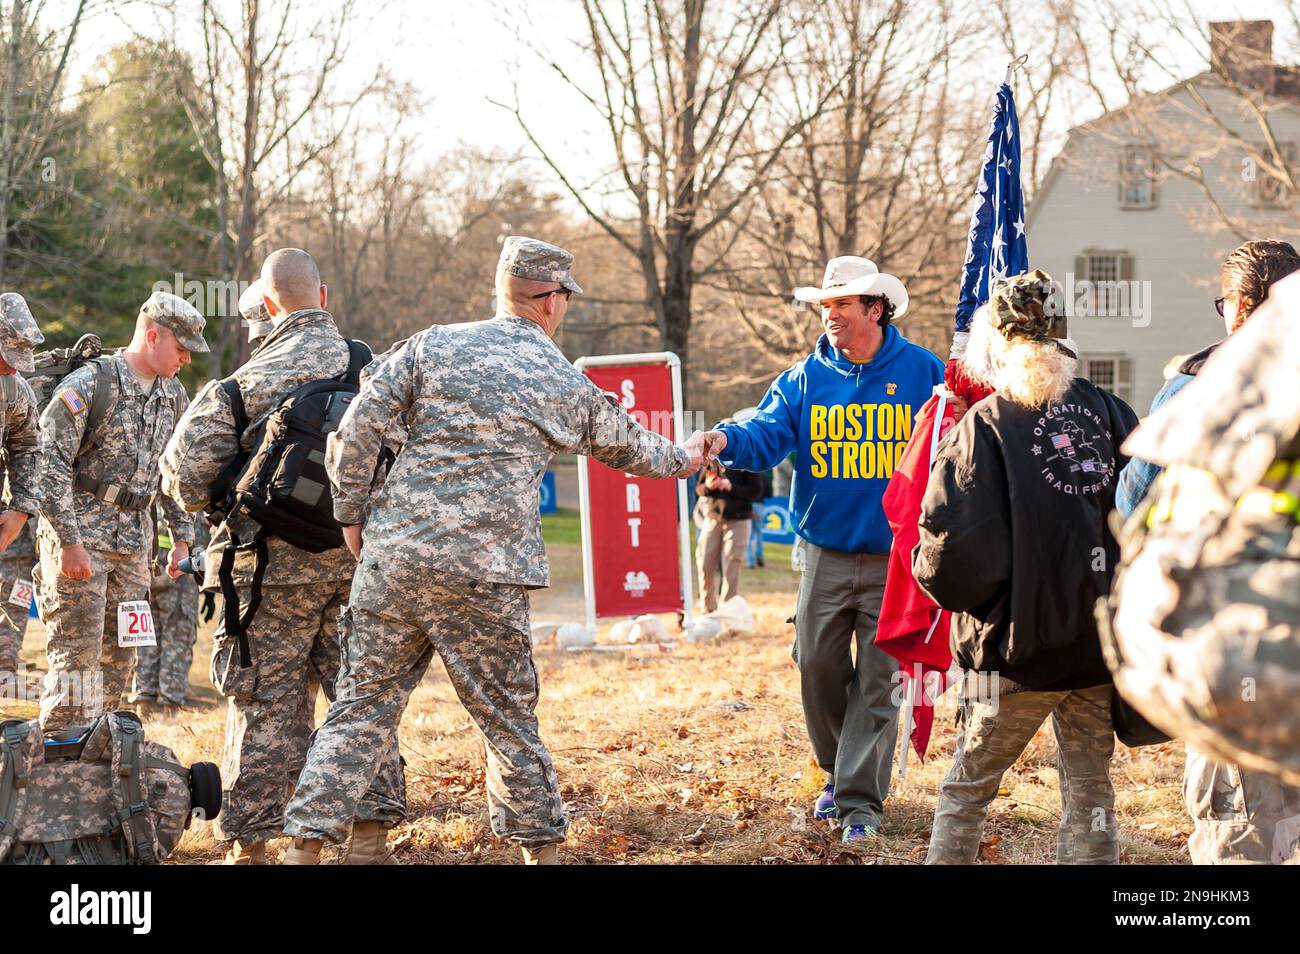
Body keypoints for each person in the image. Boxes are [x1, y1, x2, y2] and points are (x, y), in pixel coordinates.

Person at [280, 236, 703, 865]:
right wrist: (688, 455)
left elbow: (357, 424)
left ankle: (305, 849)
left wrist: (351, 513)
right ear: (553, 300)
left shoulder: (432, 344)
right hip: (486, 573)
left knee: (359, 708)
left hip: (394, 559)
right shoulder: (559, 378)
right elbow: (635, 450)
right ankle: (540, 854)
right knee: (507, 719)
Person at [160, 249, 405, 865]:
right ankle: (370, 839)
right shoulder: (376, 370)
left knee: (265, 706)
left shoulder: (242, 385)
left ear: (267, 307)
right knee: (360, 700)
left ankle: (254, 847)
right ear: (323, 298)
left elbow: (181, 477)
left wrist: (230, 492)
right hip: (359, 567)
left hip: (266, 573)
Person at [697, 255, 944, 848]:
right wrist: (723, 439)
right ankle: (838, 770)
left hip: (897, 559)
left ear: (876, 308)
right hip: (823, 554)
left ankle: (859, 802)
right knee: (817, 667)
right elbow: (763, 431)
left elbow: (951, 448)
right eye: (825, 305)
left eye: (842, 304)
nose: (830, 315)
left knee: (879, 682)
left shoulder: (923, 373)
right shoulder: (805, 378)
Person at [912, 270, 1138, 865]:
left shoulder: (983, 425)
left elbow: (949, 551)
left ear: (999, 341)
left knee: (967, 790)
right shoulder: (1113, 414)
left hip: (1016, 654)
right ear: (1062, 334)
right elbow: (1151, 516)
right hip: (1098, 646)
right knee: (1090, 790)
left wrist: (967, 598)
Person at [1114, 239, 1300, 864]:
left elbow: (1135, 500)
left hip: (1236, 642)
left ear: (1241, 306)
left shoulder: (1206, 386)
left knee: (1237, 826)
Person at [36, 291, 201, 729]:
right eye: (181, 349)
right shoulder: (90, 384)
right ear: (152, 337)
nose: (185, 359)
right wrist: (69, 542)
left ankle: (99, 766)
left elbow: (173, 470)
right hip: (81, 543)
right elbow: (47, 464)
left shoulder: (174, 395)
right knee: (76, 662)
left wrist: (181, 536)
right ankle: (56, 773)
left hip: (134, 551)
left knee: (120, 659)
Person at [0, 293, 44, 693]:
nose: (13, 365)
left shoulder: (14, 390)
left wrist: (21, 509)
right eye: (7, 353)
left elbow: (28, 446)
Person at [130, 508, 202, 717]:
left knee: (145, 640)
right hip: (179, 576)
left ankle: (144, 704)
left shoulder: (149, 494)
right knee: (177, 642)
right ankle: (170, 708)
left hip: (146, 573)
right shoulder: (187, 505)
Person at [694, 458, 764, 612]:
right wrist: (708, 486)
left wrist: (731, 486)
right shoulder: (713, 460)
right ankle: (708, 609)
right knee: (704, 563)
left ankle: (728, 612)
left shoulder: (748, 460)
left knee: (731, 568)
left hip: (739, 520)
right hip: (712, 518)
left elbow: (756, 491)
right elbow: (698, 489)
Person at [745, 468, 774, 569]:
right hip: (760, 505)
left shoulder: (747, 471)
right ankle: (759, 558)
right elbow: (770, 494)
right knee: (758, 533)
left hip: (749, 504)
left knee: (749, 533)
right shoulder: (765, 475)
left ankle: (750, 561)